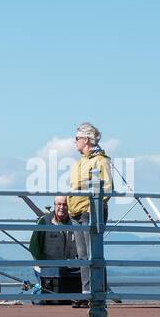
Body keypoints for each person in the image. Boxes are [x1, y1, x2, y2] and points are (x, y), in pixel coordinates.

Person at [67, 121, 112, 307]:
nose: (74, 141)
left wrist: (93, 209)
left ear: (85, 140)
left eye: (77, 138)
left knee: (94, 254)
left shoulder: (101, 161)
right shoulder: (79, 163)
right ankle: (87, 292)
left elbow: (107, 188)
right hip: (76, 212)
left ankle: (97, 292)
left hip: (89, 212)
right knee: (83, 255)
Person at [29, 195, 82, 304]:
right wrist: (43, 264)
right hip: (47, 266)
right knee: (44, 297)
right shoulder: (44, 221)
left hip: (69, 267)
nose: (61, 207)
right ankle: (37, 292)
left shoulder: (76, 224)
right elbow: (34, 247)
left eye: (65, 204)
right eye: (59, 204)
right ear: (54, 206)